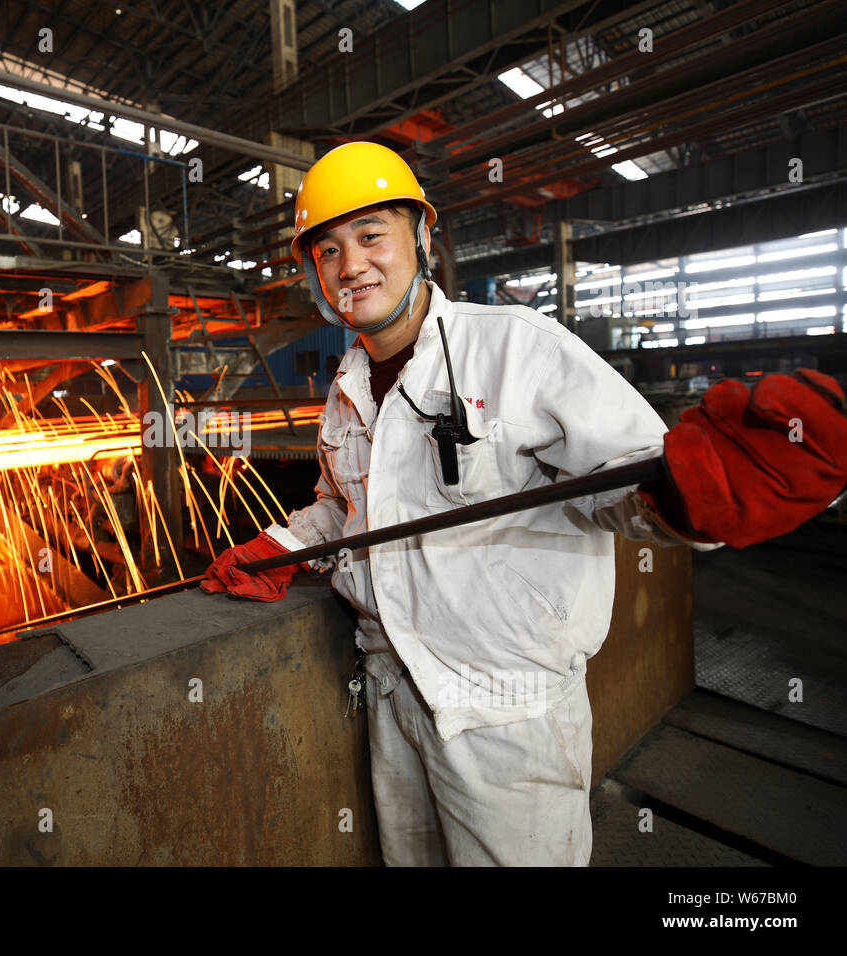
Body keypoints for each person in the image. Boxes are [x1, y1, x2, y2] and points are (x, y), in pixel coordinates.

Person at [201, 141, 847, 866]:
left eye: (372, 235)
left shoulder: (517, 350)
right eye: (327, 250)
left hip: (506, 711)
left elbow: (626, 483)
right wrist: (286, 544)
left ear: (420, 236)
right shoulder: (346, 388)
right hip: (392, 696)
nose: (351, 265)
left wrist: (692, 497)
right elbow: (347, 506)